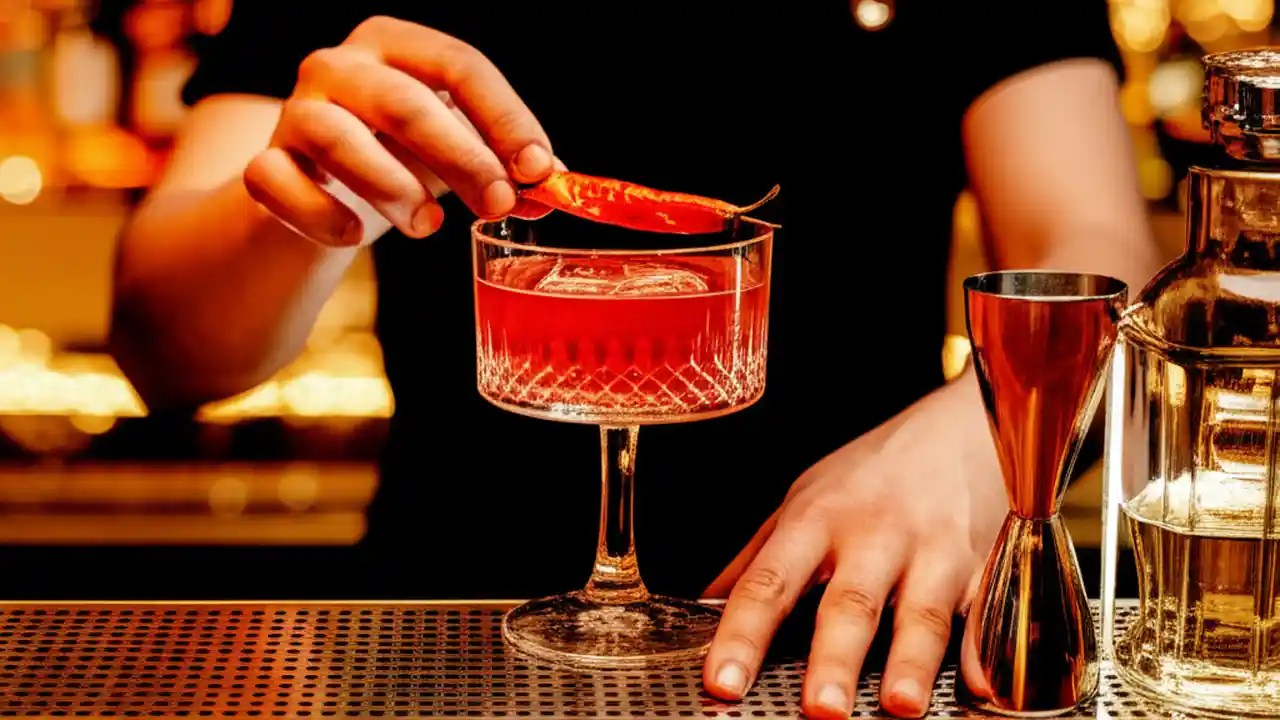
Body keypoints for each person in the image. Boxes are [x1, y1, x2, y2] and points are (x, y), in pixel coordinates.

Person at [108, 2, 1163, 718]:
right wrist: (297, 204)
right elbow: (166, 348)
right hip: (446, 645)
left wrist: (980, 430)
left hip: (851, 639)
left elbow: (1101, 248)